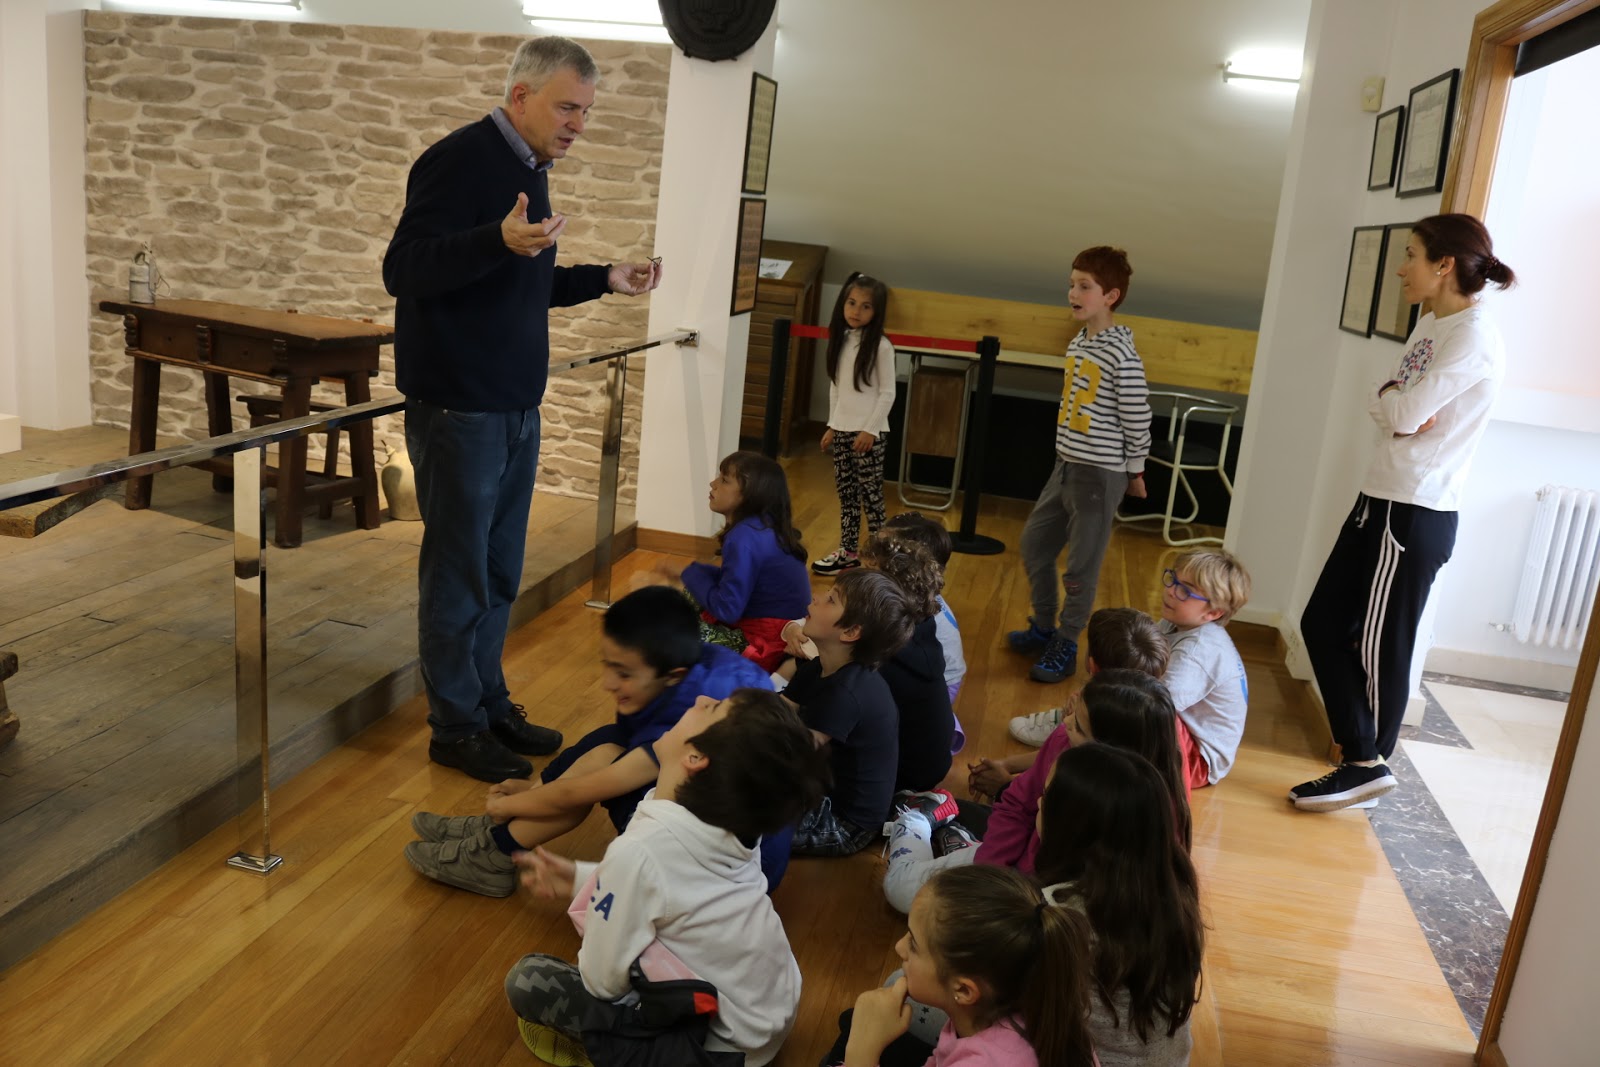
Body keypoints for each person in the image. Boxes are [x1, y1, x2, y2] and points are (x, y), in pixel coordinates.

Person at [382, 35, 663, 783]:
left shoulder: (528, 172)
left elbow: (524, 281)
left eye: (586, 111)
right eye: (568, 107)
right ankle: (454, 725)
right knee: (458, 572)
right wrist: (492, 240)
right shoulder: (461, 159)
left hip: (513, 407)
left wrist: (606, 276)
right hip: (460, 410)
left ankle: (487, 698)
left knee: (501, 570)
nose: (579, 123)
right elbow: (402, 269)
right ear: (521, 98)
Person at [1291, 214, 1515, 813]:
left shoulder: (1473, 336)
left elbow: (1403, 413)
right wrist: (1396, 402)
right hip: (1381, 496)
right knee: (1321, 622)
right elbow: (1390, 400)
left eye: (1411, 255)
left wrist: (1396, 404)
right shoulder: (1431, 325)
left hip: (1414, 510)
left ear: (1443, 265)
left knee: (1378, 645)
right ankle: (1364, 760)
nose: (1401, 268)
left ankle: (1366, 763)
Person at [505, 688, 830, 1066]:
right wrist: (585, 879)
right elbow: (675, 887)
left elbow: (601, 982)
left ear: (695, 757)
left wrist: (603, 902)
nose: (700, 698)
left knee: (528, 982)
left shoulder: (640, 852)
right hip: (766, 1019)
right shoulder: (732, 826)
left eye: (711, 708)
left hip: (710, 1048)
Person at [402, 587, 774, 897]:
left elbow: (588, 788)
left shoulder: (688, 712)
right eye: (608, 665)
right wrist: (535, 790)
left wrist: (520, 800)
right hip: (710, 821)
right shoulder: (689, 664)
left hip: (715, 872)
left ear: (672, 676)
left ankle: (496, 852)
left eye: (623, 673)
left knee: (604, 763)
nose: (608, 683)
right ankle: (500, 831)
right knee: (608, 740)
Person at [1009, 246, 1151, 684]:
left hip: (1098, 474)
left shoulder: (1122, 356)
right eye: (1072, 284)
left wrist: (1135, 470)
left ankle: (1067, 644)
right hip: (1066, 465)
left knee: (1081, 568)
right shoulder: (1079, 342)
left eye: (1084, 286)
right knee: (1035, 544)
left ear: (1110, 295)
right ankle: (1045, 626)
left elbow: (1137, 416)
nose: (1073, 292)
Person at [825, 865, 1098, 1067]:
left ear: (965, 991)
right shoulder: (1030, 1003)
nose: (899, 947)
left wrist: (862, 1051)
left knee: (850, 1034)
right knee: (852, 1023)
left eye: (914, 943)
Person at [1036, 744, 1204, 1067]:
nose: (1038, 802)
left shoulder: (1058, 912)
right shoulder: (1173, 888)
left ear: (1074, 828)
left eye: (1047, 796)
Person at [976, 669, 1191, 875]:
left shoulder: (1151, 819)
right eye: (1074, 712)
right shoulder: (1064, 739)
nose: (1066, 723)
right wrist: (989, 873)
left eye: (1079, 726)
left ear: (1113, 753)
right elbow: (1017, 804)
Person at [784, 569, 914, 856]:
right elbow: (779, 710)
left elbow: (789, 756)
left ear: (850, 632)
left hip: (845, 822)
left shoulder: (845, 693)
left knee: (734, 819)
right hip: (818, 788)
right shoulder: (821, 666)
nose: (816, 597)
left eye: (831, 599)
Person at [672, 451, 811, 672]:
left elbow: (727, 609)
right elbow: (736, 584)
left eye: (724, 480)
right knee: (686, 596)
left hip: (767, 642)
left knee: (668, 629)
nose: (713, 483)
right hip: (781, 627)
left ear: (750, 495)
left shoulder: (743, 537)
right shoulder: (763, 525)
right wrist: (694, 573)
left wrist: (691, 573)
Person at [813, 273, 898, 577]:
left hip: (869, 435)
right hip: (844, 429)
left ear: (876, 312)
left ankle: (881, 559)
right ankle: (848, 553)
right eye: (851, 303)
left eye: (865, 307)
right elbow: (837, 387)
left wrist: (870, 430)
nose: (855, 311)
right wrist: (833, 426)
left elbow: (888, 392)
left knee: (872, 497)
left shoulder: (882, 347)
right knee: (847, 495)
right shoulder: (842, 339)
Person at [859, 530, 957, 792]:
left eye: (863, 579)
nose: (851, 582)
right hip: (924, 767)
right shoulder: (918, 631)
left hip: (898, 778)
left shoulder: (885, 654)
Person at [1157, 550, 1252, 790]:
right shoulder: (1175, 621)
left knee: (1140, 708)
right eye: (1173, 579)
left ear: (1213, 613)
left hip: (1198, 760)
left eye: (1185, 590)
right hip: (1184, 731)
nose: (1171, 590)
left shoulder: (1198, 651)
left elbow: (1156, 705)